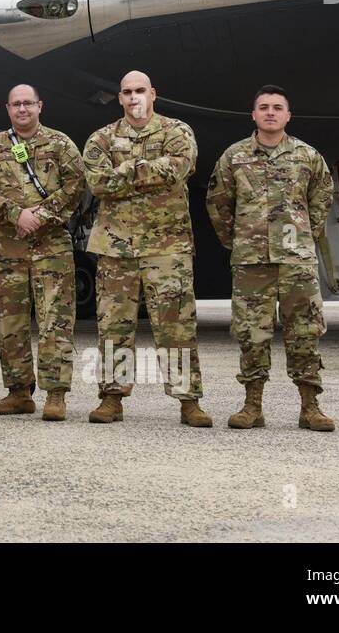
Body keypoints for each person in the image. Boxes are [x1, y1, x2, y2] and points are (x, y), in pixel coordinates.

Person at [83, 70, 212, 427]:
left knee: (176, 325)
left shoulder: (177, 131)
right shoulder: (102, 138)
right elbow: (97, 182)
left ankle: (189, 401)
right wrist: (149, 173)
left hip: (167, 246)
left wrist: (124, 171)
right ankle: (111, 398)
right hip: (115, 247)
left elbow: (180, 167)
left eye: (140, 91)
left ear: (153, 94)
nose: (133, 97)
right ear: (120, 98)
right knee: (114, 326)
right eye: (127, 92)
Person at [206, 85, 336, 432]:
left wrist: (307, 233)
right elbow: (218, 203)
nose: (270, 112)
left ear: (288, 115)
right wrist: (238, 241)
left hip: (296, 261)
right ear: (254, 114)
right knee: (251, 333)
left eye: (277, 107)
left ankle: (310, 407)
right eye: (263, 107)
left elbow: (322, 196)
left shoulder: (307, 156)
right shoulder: (234, 157)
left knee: (305, 331)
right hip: (251, 262)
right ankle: (252, 406)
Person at [0, 85, 85, 420]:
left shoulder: (61, 144)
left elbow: (75, 185)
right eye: (16, 104)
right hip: (7, 248)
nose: (22, 109)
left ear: (40, 106)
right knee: (11, 323)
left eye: (28, 103)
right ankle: (18, 392)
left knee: (55, 322)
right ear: (8, 108)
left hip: (51, 247)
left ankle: (56, 394)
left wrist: (40, 216)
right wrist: (15, 214)